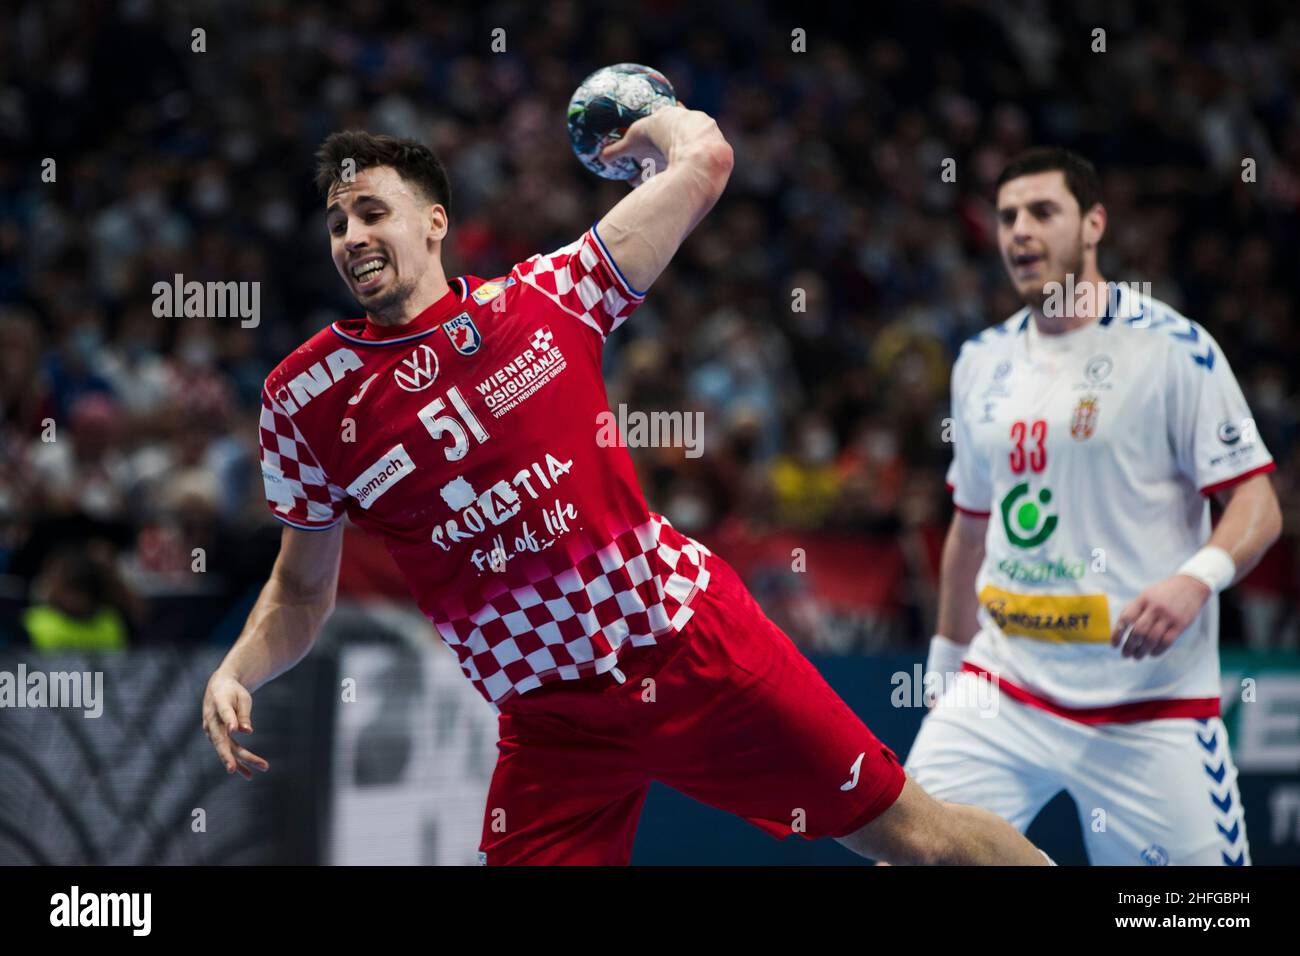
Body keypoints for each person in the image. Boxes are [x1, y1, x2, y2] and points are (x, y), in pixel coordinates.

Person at [203, 108, 1050, 865]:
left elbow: (709, 159)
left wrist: (659, 121)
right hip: (550, 725)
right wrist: (239, 667)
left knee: (920, 841)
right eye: (337, 221)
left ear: (435, 223)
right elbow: (301, 590)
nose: (350, 235)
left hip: (690, 649)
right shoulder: (305, 399)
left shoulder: (549, 298)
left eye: (372, 212)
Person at [910, 147, 1282, 865]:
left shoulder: (1175, 351)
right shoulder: (980, 361)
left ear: (1093, 225)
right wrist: (948, 660)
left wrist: (1195, 578)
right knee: (910, 854)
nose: (1021, 231)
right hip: (1004, 686)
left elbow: (1258, 502)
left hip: (1149, 706)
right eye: (1008, 216)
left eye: (1043, 212)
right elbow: (971, 525)